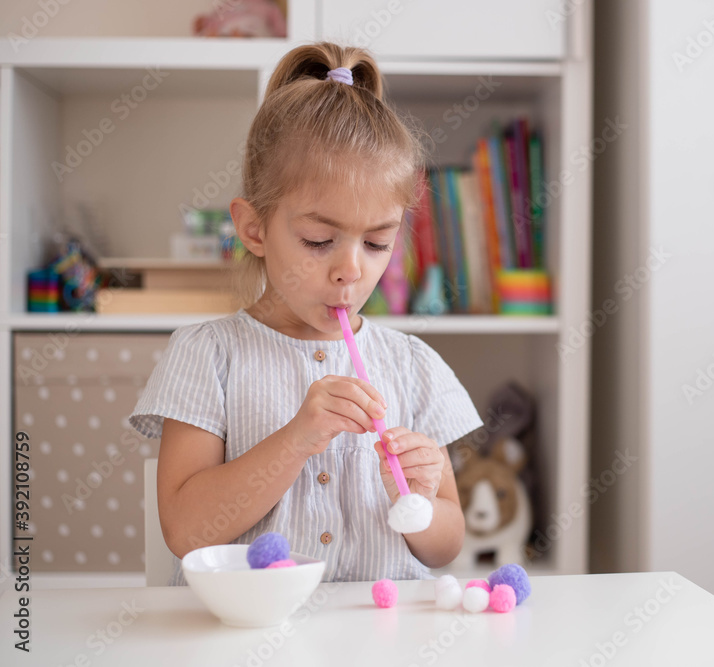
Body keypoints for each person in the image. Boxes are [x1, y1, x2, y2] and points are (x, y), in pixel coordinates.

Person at [130, 42, 483, 585]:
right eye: (319, 240)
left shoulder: (413, 365)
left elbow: (446, 548)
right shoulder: (207, 356)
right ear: (254, 230)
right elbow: (185, 532)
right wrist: (296, 439)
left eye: (376, 243)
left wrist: (421, 506)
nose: (350, 271)